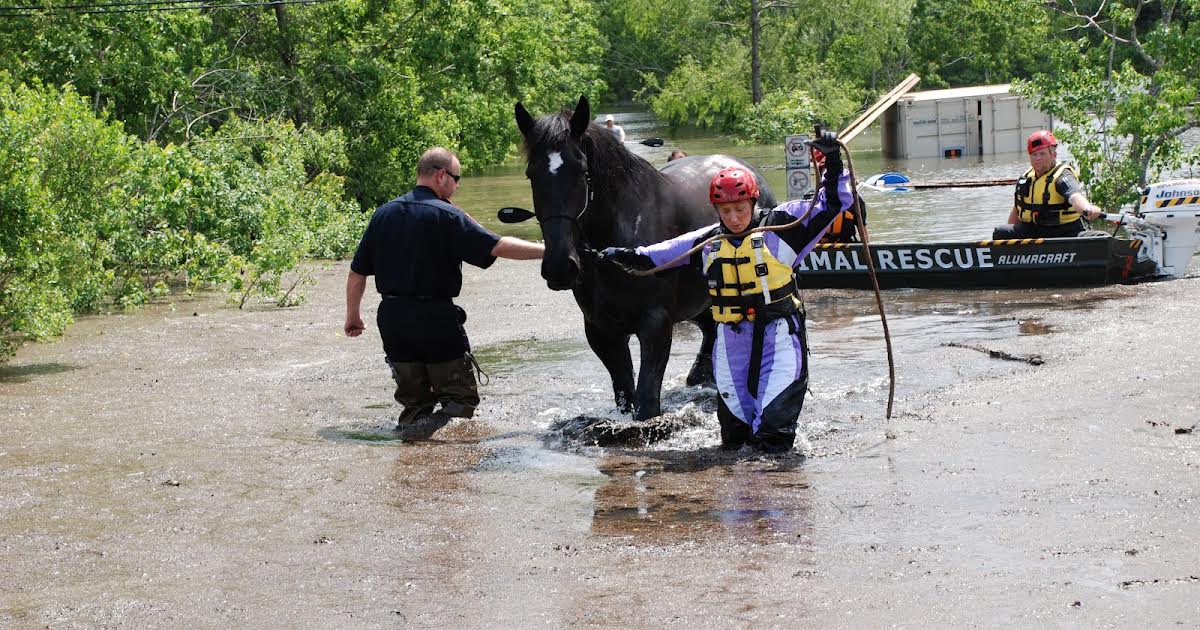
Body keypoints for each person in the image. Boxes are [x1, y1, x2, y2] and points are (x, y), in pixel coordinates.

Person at [597, 132, 852, 454]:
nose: (733, 218)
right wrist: (620, 255)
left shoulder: (784, 228)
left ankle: (780, 495)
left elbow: (832, 203)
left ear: (753, 203)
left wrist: (832, 162)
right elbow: (658, 254)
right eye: (726, 210)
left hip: (780, 339)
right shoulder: (706, 241)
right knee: (734, 439)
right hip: (732, 343)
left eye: (740, 209)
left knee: (773, 436)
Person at [344, 147, 545, 436]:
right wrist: (548, 252)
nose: (458, 185)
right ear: (441, 176)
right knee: (459, 400)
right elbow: (497, 246)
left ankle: (411, 452)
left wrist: (353, 316)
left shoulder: (383, 214)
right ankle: (439, 456)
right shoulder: (447, 215)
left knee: (414, 403)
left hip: (392, 319)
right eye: (457, 177)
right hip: (435, 318)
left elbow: (357, 272)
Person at [992, 130, 1103, 239]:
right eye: (1034, 154)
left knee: (1102, 238)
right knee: (1001, 232)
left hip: (1063, 232)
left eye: (1042, 154)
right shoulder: (1026, 178)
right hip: (1032, 231)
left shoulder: (1062, 176)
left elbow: (1075, 197)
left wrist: (1087, 207)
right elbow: (1017, 209)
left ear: (1053, 154)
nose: (1038, 158)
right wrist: (1007, 241)